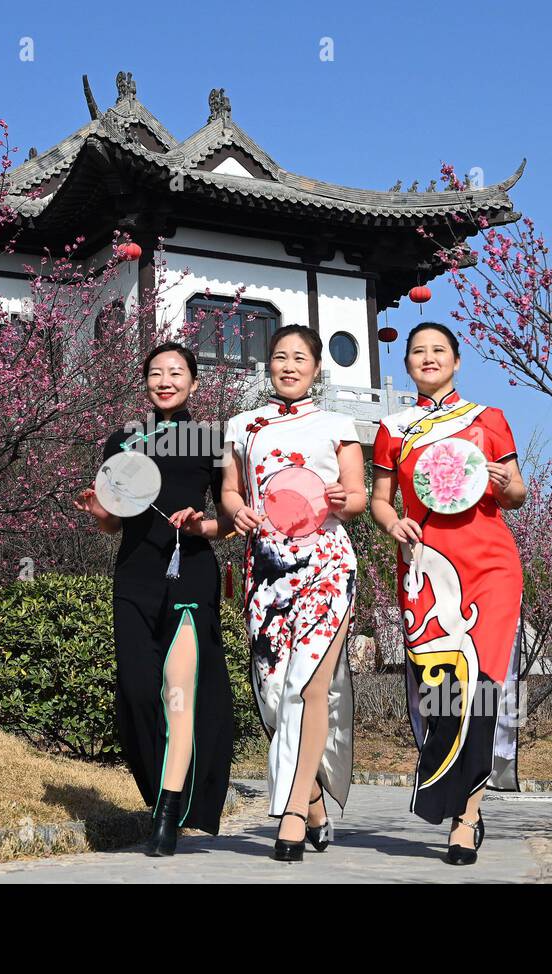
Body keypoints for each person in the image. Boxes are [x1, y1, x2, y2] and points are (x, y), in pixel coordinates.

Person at [369, 321, 527, 866]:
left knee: (482, 685)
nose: (429, 357)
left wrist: (509, 486)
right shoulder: (392, 428)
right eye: (419, 351)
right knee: (440, 690)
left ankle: (468, 815)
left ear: (457, 361)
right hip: (426, 566)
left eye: (439, 350)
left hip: (490, 565)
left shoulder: (488, 419)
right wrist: (393, 526)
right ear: (408, 363)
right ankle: (447, 790)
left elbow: (517, 493)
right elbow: (381, 501)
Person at [74, 342, 235, 856]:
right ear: (145, 381)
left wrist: (199, 524)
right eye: (156, 373)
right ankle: (161, 790)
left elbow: (228, 522)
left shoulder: (212, 439)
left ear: (193, 381)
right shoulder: (122, 440)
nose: (165, 380)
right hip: (135, 576)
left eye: (176, 372)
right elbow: (113, 521)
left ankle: (167, 812)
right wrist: (97, 511)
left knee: (178, 692)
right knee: (138, 690)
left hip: (190, 572)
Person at [220, 324, 367, 862]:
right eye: (279, 357)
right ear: (269, 365)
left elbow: (355, 496)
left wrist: (340, 498)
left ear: (315, 367)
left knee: (308, 686)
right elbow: (231, 491)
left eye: (299, 358)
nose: (288, 366)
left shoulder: (337, 423)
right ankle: (314, 796)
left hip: (326, 563)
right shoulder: (242, 425)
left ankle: (291, 814)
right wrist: (237, 510)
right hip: (266, 567)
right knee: (273, 691)